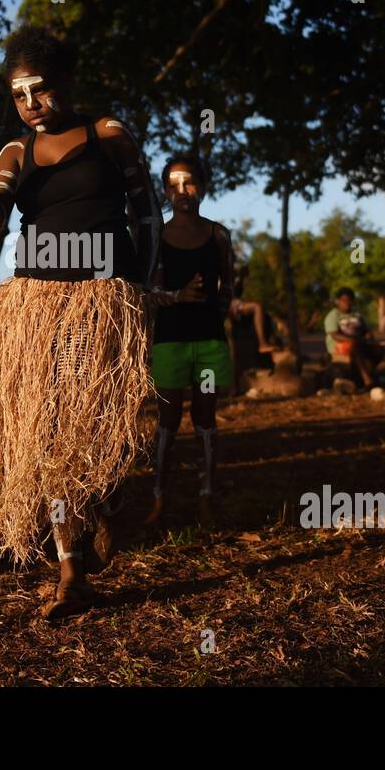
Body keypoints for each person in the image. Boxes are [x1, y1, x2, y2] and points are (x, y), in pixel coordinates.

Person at [0, 25, 163, 621]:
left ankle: (103, 498)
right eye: (19, 95)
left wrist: (145, 291)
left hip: (103, 303)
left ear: (66, 83)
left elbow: (146, 213)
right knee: (45, 435)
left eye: (41, 91)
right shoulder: (15, 154)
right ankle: (71, 569)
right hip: (34, 307)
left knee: (97, 427)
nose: (30, 104)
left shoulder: (109, 135)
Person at [146, 155, 235, 529]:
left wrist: (218, 313)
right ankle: (158, 500)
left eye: (190, 182)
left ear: (203, 185)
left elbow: (229, 285)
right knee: (168, 420)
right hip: (170, 344)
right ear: (165, 191)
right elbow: (146, 290)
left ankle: (206, 499)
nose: (182, 191)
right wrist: (176, 298)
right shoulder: (157, 237)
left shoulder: (218, 235)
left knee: (205, 418)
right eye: (174, 184)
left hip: (210, 344)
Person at [324, 287, 385, 389]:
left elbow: (365, 330)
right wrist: (355, 340)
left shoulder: (356, 314)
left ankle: (366, 373)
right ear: (338, 301)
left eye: (349, 300)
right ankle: (366, 379)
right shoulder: (333, 316)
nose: (347, 303)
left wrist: (369, 336)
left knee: (378, 349)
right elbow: (335, 335)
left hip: (359, 343)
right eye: (344, 300)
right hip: (340, 346)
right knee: (356, 345)